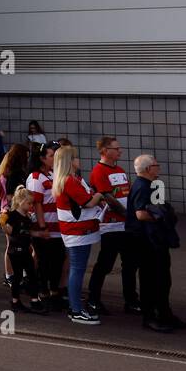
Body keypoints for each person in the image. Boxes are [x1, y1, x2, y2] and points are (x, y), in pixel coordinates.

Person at [53, 143, 116, 325]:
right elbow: (88, 202)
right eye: (76, 157)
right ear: (70, 161)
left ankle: (76, 307)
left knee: (77, 269)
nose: (79, 160)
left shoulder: (70, 179)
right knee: (77, 269)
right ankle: (75, 309)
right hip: (77, 231)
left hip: (79, 230)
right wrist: (100, 195)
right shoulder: (69, 181)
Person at [127, 154, 186, 333]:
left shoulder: (151, 185)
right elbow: (140, 214)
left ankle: (164, 313)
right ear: (147, 169)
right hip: (146, 242)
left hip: (156, 240)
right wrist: (162, 216)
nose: (158, 167)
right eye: (156, 165)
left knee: (162, 279)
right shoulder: (142, 187)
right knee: (151, 279)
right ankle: (150, 317)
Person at [86, 136, 138, 315]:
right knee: (105, 265)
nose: (120, 151)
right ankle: (93, 300)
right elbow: (108, 198)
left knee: (130, 264)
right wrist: (127, 214)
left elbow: (126, 193)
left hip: (126, 226)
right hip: (111, 227)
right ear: (105, 151)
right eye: (116, 148)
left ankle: (131, 301)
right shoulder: (99, 172)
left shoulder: (120, 169)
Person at [26, 141, 66, 310]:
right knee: (44, 263)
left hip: (58, 227)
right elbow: (36, 204)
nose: (55, 158)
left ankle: (54, 292)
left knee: (57, 262)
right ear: (42, 158)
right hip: (44, 227)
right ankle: (42, 294)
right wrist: (42, 227)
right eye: (51, 156)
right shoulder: (36, 177)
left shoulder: (53, 174)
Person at [2, 187, 47, 313]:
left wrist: (38, 234)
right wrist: (3, 225)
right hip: (15, 251)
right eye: (29, 203)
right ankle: (15, 301)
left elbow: (28, 232)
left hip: (25, 250)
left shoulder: (27, 217)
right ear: (21, 201)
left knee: (32, 275)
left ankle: (34, 300)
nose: (31, 205)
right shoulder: (13, 215)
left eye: (32, 203)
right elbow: (10, 231)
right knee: (17, 277)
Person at [0, 143, 30, 286]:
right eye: (25, 156)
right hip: (11, 212)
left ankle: (13, 274)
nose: (27, 159)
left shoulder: (6, 171)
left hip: (7, 211)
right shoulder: (13, 173)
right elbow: (9, 196)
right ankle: (10, 275)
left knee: (15, 245)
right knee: (13, 245)